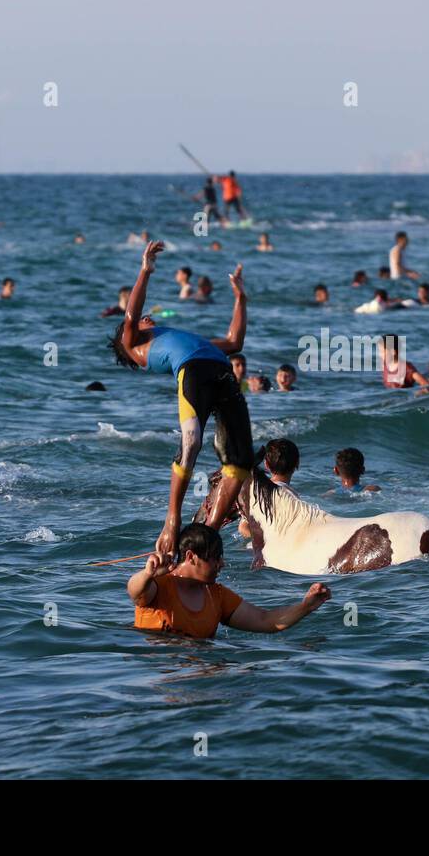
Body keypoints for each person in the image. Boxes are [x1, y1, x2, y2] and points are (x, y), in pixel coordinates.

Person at [109, 240, 252, 557]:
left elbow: (234, 340)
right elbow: (131, 315)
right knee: (191, 444)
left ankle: (207, 536)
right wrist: (145, 271)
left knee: (240, 464)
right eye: (142, 318)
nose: (148, 316)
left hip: (224, 375)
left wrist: (241, 297)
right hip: (194, 373)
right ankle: (171, 522)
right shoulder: (134, 344)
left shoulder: (179, 336)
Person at [128, 523, 329, 639]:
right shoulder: (159, 585)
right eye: (216, 557)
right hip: (156, 672)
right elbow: (135, 591)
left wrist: (306, 606)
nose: (222, 564)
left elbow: (265, 620)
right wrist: (148, 573)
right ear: (191, 557)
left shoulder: (217, 595)